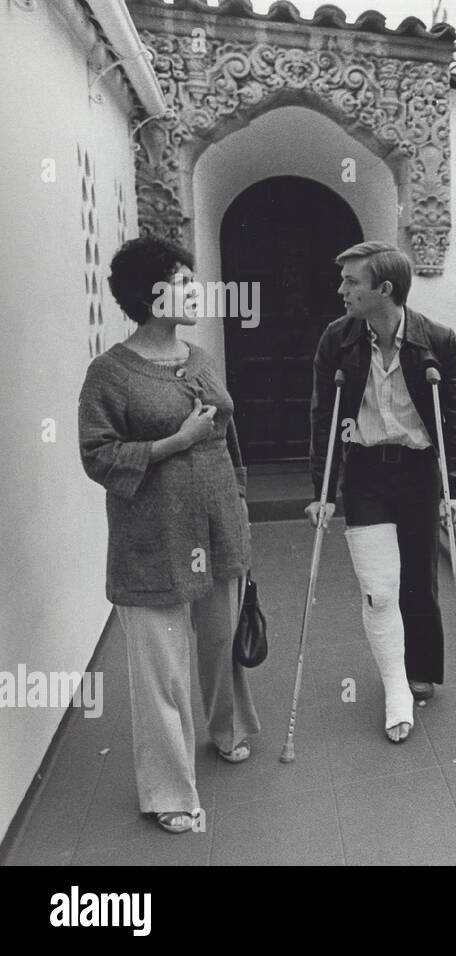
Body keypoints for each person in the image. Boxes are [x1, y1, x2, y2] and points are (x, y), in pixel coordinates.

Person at [78, 237, 259, 834]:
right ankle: (168, 791)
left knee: (218, 641)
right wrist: (172, 444)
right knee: (161, 668)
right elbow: (98, 456)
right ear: (154, 297)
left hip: (217, 524)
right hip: (151, 537)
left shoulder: (201, 358)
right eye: (183, 281)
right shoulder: (109, 374)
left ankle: (227, 729)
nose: (195, 291)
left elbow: (228, 438)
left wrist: (239, 500)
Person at [306, 241, 456, 744]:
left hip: (419, 470)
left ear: (385, 289)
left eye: (351, 282)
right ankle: (396, 689)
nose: (341, 290)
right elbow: (324, 416)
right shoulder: (337, 339)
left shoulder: (438, 341)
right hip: (365, 474)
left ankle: (420, 670)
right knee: (380, 589)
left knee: (419, 582)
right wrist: (323, 489)